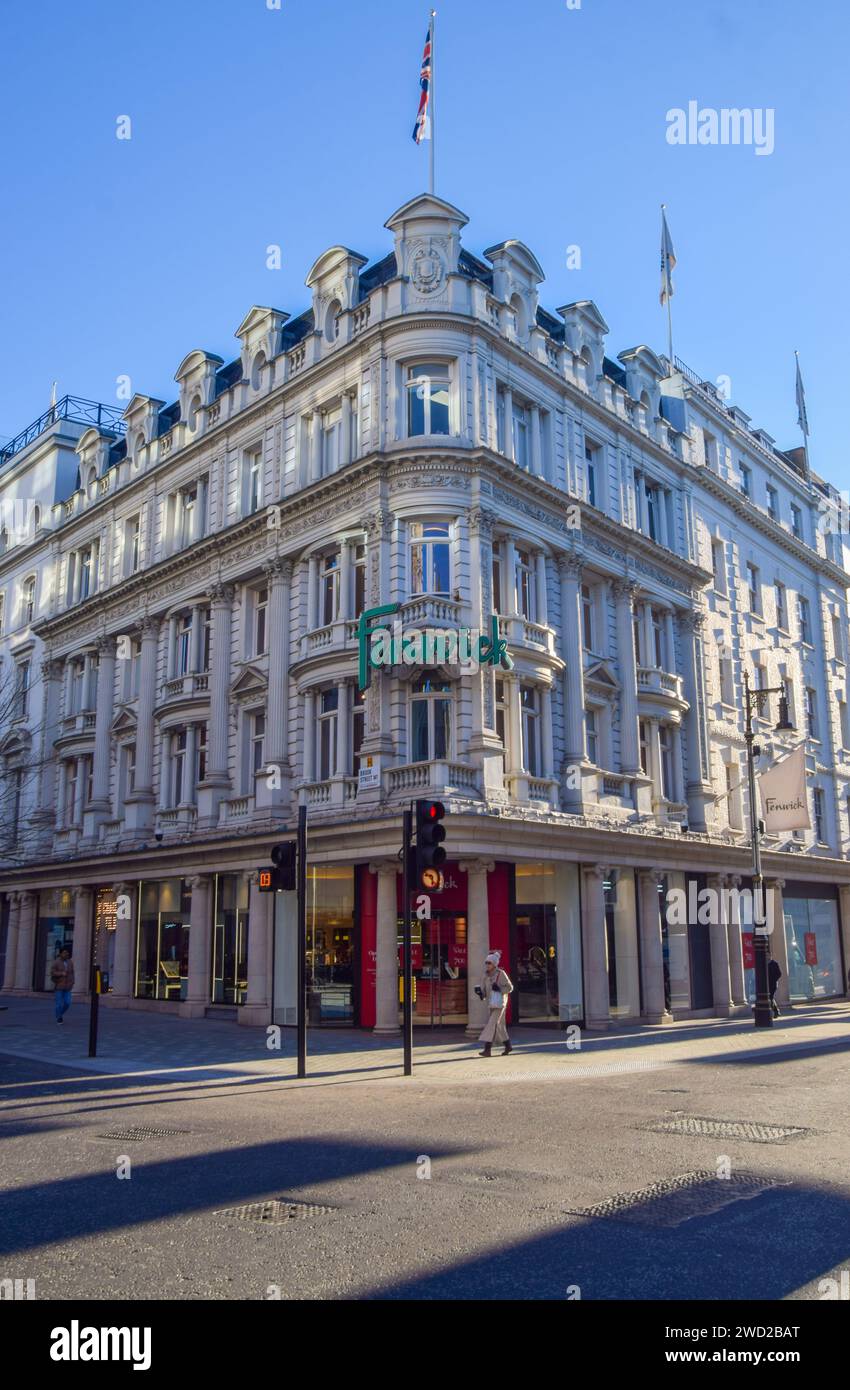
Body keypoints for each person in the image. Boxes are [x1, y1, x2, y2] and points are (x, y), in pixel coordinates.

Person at [474, 950, 514, 1057]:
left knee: (491, 1024)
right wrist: (480, 993)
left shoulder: (501, 973)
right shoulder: (485, 975)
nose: (487, 965)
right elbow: (484, 992)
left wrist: (499, 989)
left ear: (495, 964)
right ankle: (508, 1046)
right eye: (486, 962)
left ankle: (487, 1049)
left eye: (489, 963)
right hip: (491, 1003)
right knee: (500, 1026)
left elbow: (510, 988)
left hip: (500, 1004)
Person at [50, 947, 75, 1025]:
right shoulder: (56, 962)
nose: (66, 954)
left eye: (67, 953)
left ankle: (59, 1014)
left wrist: (72, 982)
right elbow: (52, 972)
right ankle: (59, 1017)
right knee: (59, 1004)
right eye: (64, 953)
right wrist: (61, 973)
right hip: (59, 986)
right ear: (60, 954)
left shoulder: (70, 962)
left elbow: (72, 973)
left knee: (68, 1003)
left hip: (68, 987)